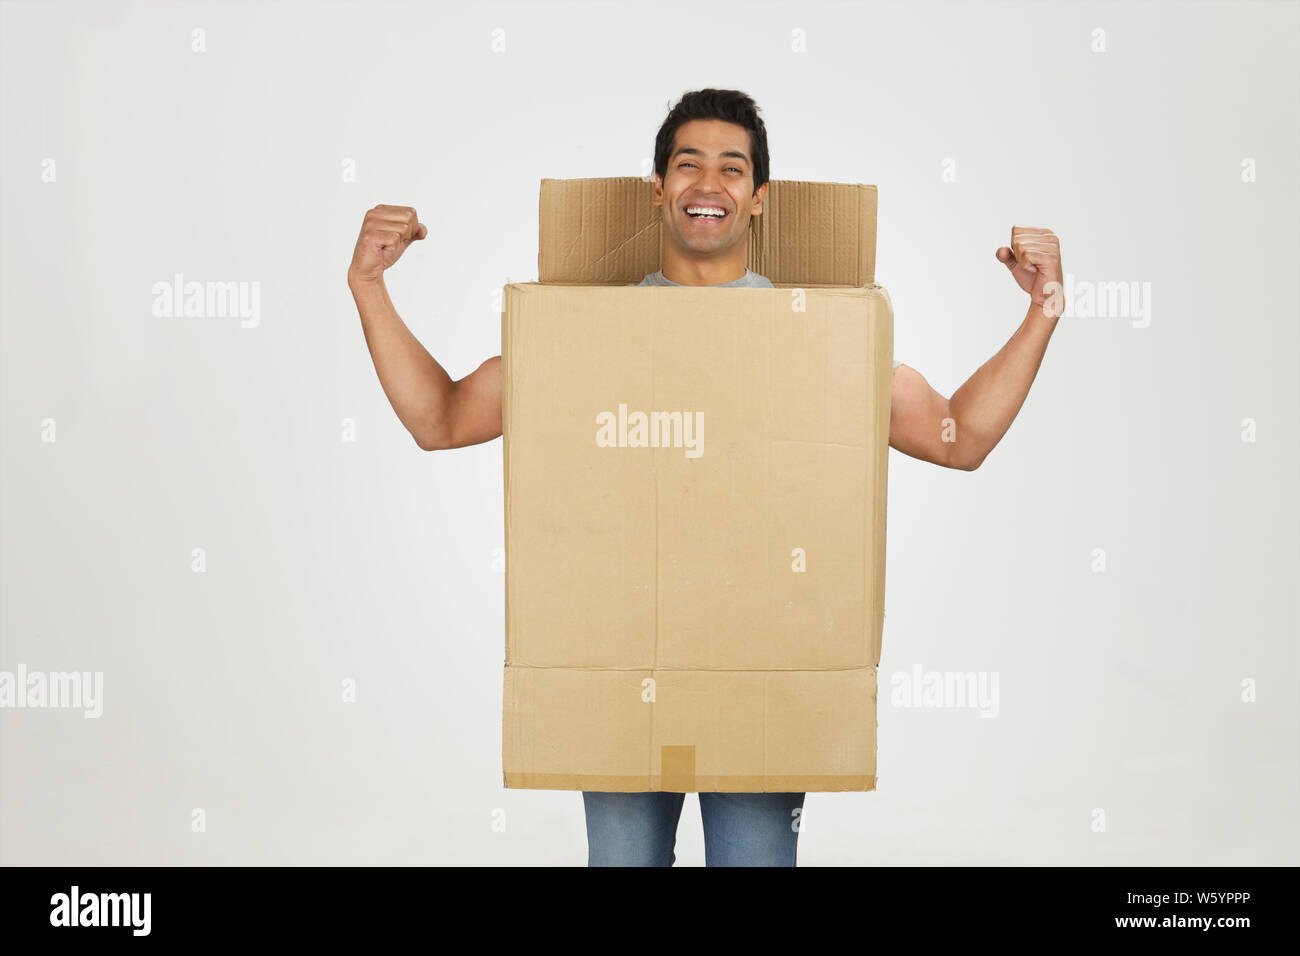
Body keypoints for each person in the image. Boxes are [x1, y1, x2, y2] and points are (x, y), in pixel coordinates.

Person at [346, 88, 1064, 866]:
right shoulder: (585, 334)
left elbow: (959, 437)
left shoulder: (817, 338)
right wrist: (369, 287)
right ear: (658, 188)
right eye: (688, 165)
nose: (708, 184)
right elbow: (441, 418)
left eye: (732, 168)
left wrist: (1042, 312)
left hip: (760, 681)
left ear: (758, 200)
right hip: (621, 674)